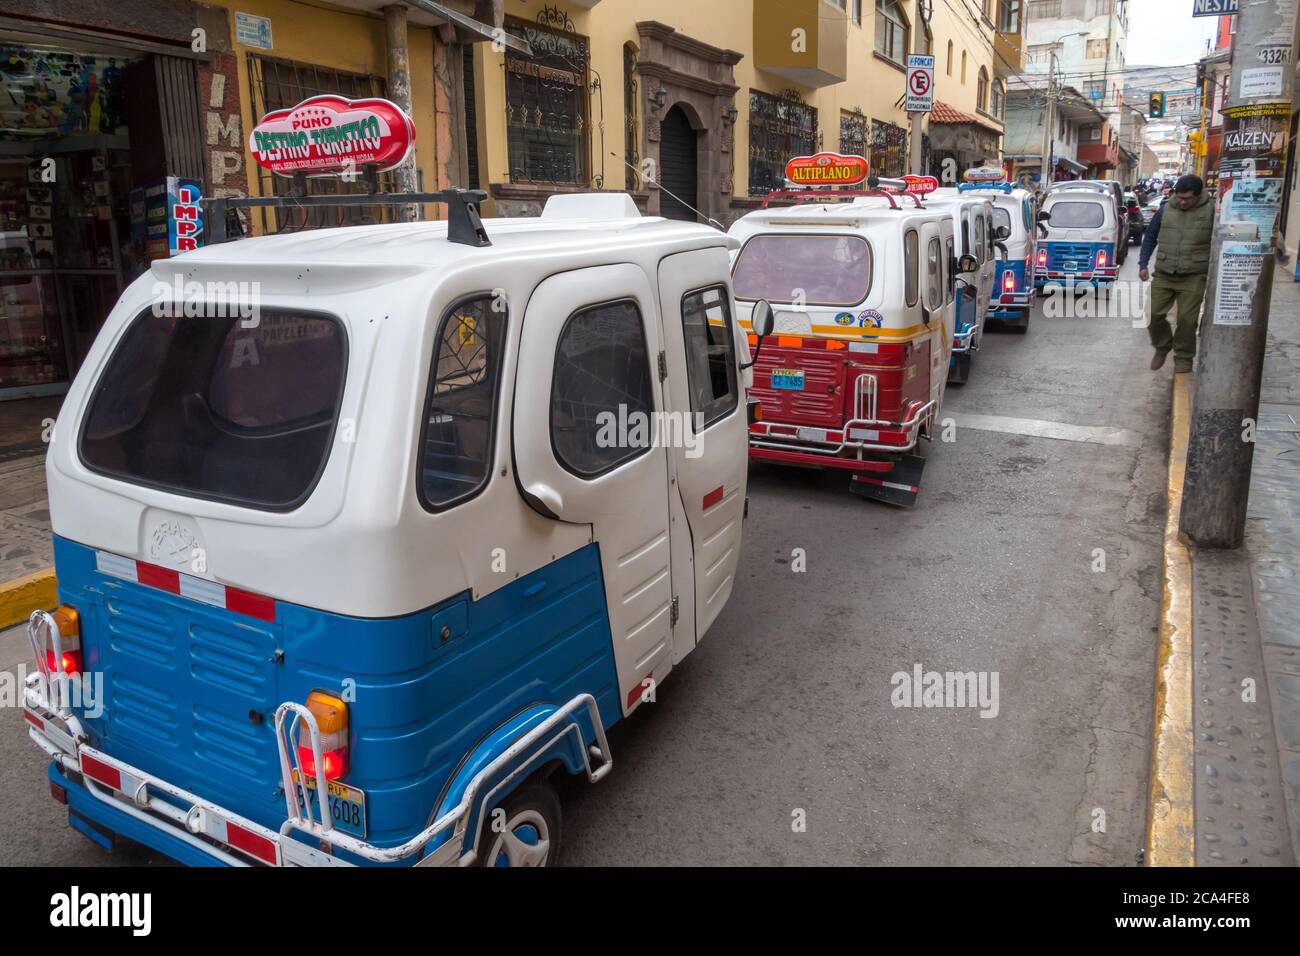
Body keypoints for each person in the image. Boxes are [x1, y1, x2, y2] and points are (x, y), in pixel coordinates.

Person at [1138, 174, 1215, 374]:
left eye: (1187, 199)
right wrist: (1143, 264)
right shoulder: (1165, 210)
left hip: (1193, 274)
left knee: (1187, 321)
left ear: (1198, 196)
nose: (1182, 202)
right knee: (1152, 315)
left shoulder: (1212, 211)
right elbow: (1150, 237)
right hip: (1164, 272)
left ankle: (1183, 357)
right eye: (1179, 197)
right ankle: (1162, 347)